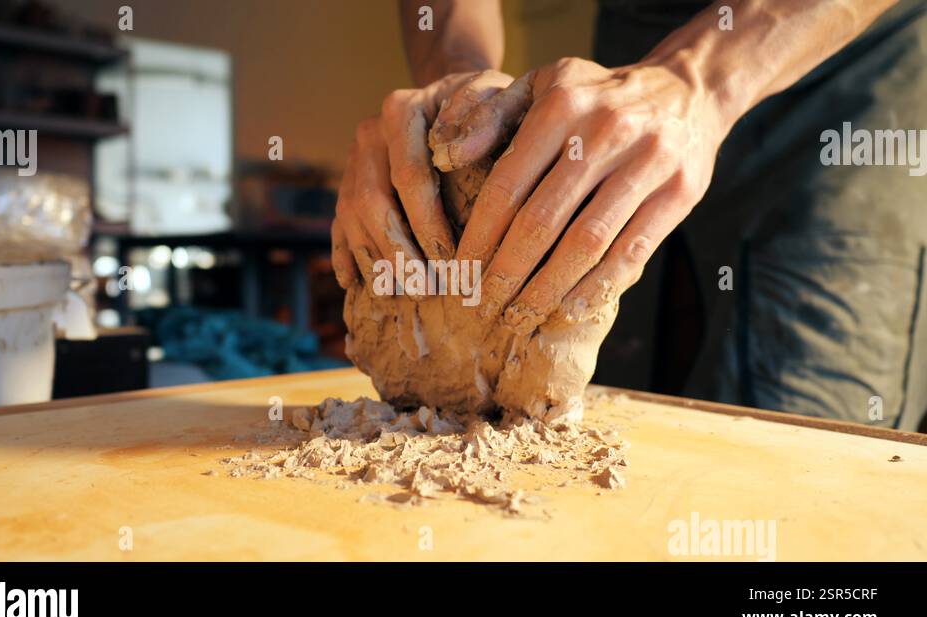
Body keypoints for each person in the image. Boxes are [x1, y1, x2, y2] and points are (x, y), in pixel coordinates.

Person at [331, 0, 927, 431]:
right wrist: (458, 105)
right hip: (631, 62)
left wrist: (695, 79)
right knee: (607, 377)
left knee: (796, 423)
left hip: (844, 66)